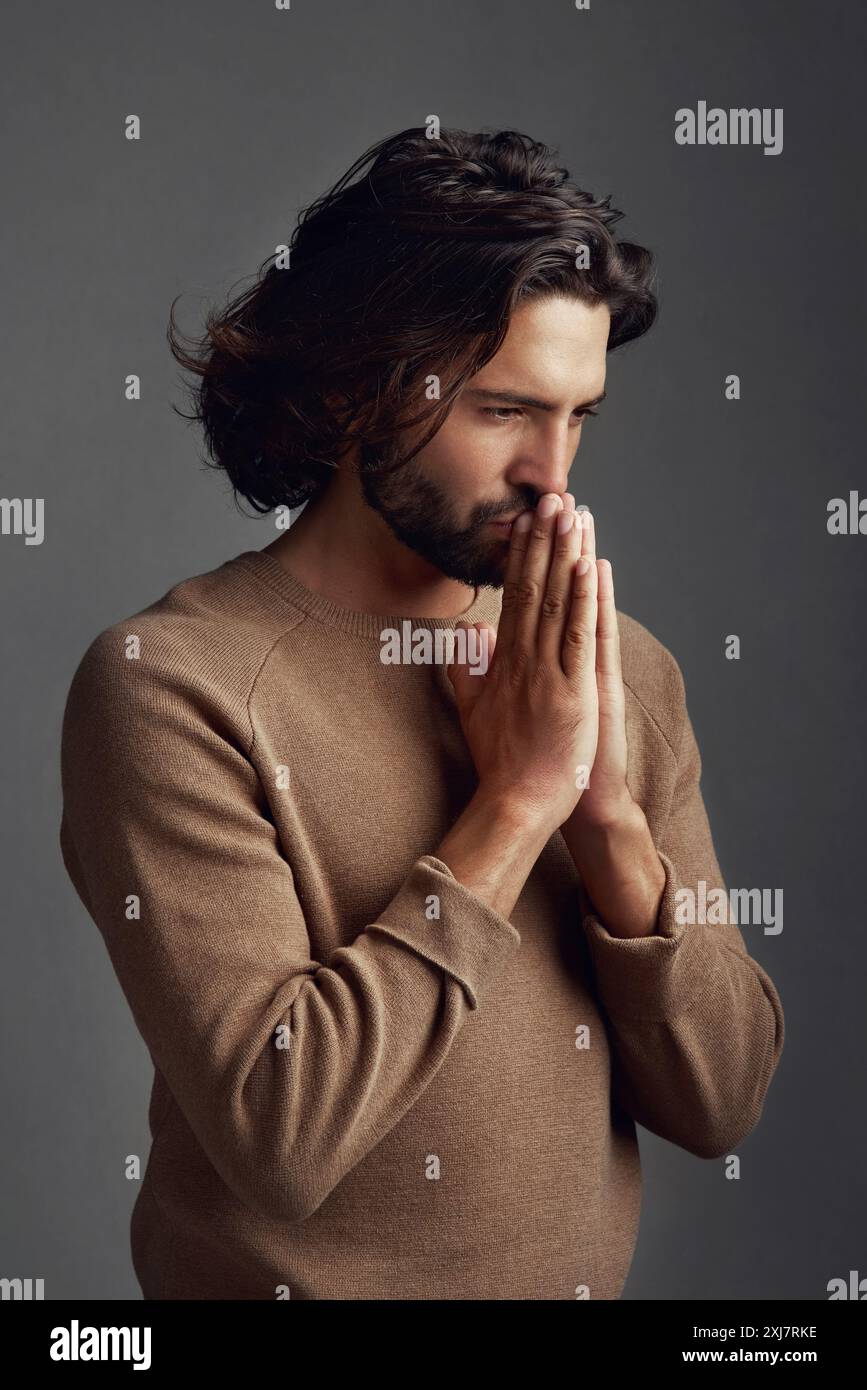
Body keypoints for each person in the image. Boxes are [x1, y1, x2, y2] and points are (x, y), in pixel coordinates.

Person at [59, 126, 784, 1300]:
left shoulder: (619, 670)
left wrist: (605, 827)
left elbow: (724, 1099)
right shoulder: (169, 685)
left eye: (580, 414)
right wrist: (519, 804)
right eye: (505, 411)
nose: (556, 471)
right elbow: (280, 1135)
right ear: (363, 388)